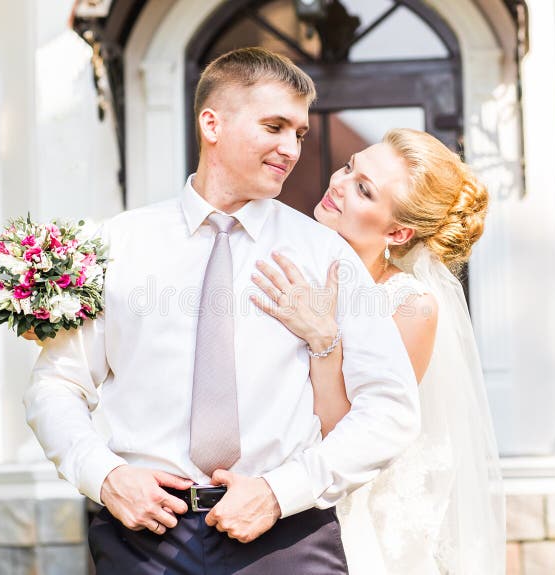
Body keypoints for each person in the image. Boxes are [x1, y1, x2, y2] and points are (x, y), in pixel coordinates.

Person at [24, 47, 420, 574]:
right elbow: (56, 385)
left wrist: (282, 491)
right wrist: (103, 475)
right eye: (274, 126)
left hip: (288, 541)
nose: (291, 149)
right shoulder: (116, 244)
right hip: (143, 539)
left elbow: (391, 409)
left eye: (298, 134)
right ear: (212, 123)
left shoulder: (326, 255)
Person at [251, 128, 506, 574]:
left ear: (398, 230)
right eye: (350, 167)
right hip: (261, 507)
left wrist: (322, 339)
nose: (339, 183)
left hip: (349, 520)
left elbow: (346, 431)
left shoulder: (408, 308)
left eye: (363, 190)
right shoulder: (290, 262)